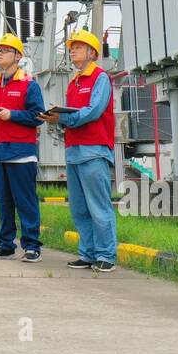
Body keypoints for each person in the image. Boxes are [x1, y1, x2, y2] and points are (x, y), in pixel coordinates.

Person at [41, 29, 117, 272]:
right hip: (74, 151)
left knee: (99, 206)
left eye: (78, 47)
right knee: (80, 208)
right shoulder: (74, 82)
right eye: (72, 47)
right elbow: (74, 114)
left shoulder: (100, 78)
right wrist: (56, 118)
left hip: (94, 150)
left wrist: (65, 120)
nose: (72, 50)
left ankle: (106, 255)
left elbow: (94, 111)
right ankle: (88, 254)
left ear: (92, 53)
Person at [0, 33, 46, 263]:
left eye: (5, 50)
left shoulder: (29, 84)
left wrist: (12, 115)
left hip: (21, 153)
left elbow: (38, 116)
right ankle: (5, 244)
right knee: (4, 203)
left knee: (25, 202)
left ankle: (31, 246)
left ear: (18, 56)